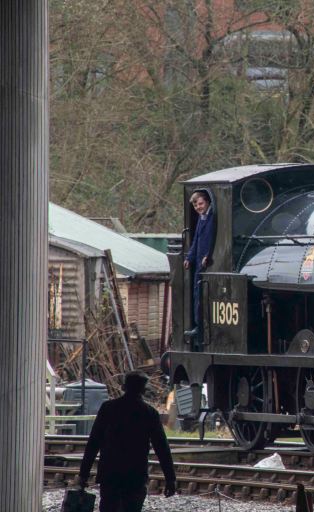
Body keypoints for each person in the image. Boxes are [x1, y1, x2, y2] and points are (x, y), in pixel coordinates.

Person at [76, 372, 177, 511]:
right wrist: (170, 479)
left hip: (110, 474)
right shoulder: (149, 413)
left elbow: (93, 443)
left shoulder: (108, 408)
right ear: (143, 390)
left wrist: (83, 475)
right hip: (135, 476)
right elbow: (162, 448)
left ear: (124, 387)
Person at [184, 190, 216, 336]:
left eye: (200, 203)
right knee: (198, 294)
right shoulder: (201, 218)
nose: (198, 207)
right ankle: (199, 326)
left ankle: (203, 328)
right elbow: (196, 240)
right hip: (198, 261)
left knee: (204, 294)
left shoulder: (212, 218)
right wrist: (189, 257)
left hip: (207, 261)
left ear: (208, 202)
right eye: (196, 205)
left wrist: (208, 255)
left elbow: (214, 237)